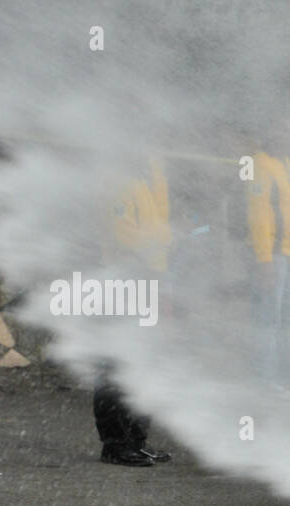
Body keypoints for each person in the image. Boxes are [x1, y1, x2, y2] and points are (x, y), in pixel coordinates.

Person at [93, 155, 172, 466]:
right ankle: (115, 443)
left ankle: (136, 439)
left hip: (147, 279)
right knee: (114, 363)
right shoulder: (119, 181)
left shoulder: (149, 178)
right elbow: (123, 236)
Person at [248, 114, 290, 394]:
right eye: (285, 128)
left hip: (289, 254)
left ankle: (288, 377)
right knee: (268, 317)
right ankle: (264, 380)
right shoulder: (261, 164)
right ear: (271, 131)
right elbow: (258, 213)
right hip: (273, 255)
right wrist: (264, 259)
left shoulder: (285, 164)